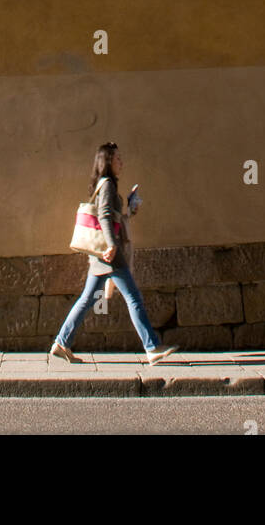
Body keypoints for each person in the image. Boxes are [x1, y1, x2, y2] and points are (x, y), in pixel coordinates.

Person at [50, 141, 178, 366]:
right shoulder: (107, 184)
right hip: (110, 254)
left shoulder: (105, 184)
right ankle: (152, 347)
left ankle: (62, 343)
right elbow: (105, 216)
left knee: (87, 299)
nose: (122, 162)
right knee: (133, 298)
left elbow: (113, 216)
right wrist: (111, 245)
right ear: (108, 161)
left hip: (101, 254)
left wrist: (130, 206)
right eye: (118, 158)